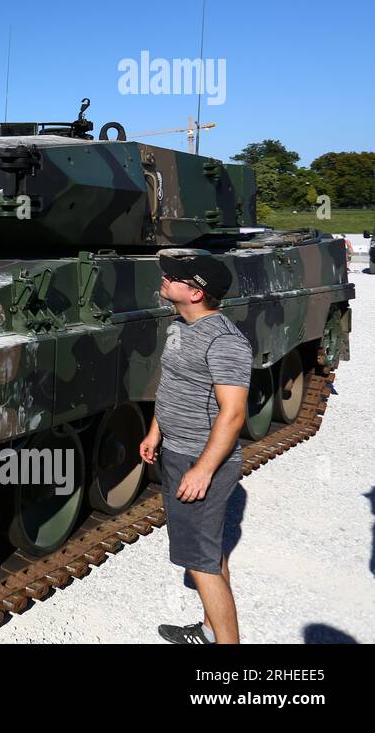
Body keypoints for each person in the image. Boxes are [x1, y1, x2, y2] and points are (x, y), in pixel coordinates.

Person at [141, 250, 250, 646]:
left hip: (199, 459)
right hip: (177, 449)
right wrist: (156, 431)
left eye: (177, 277)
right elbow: (172, 385)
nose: (167, 278)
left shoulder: (224, 341)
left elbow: (234, 414)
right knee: (210, 554)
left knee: (201, 563)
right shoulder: (181, 326)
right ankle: (208, 630)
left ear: (197, 293)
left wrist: (202, 469)